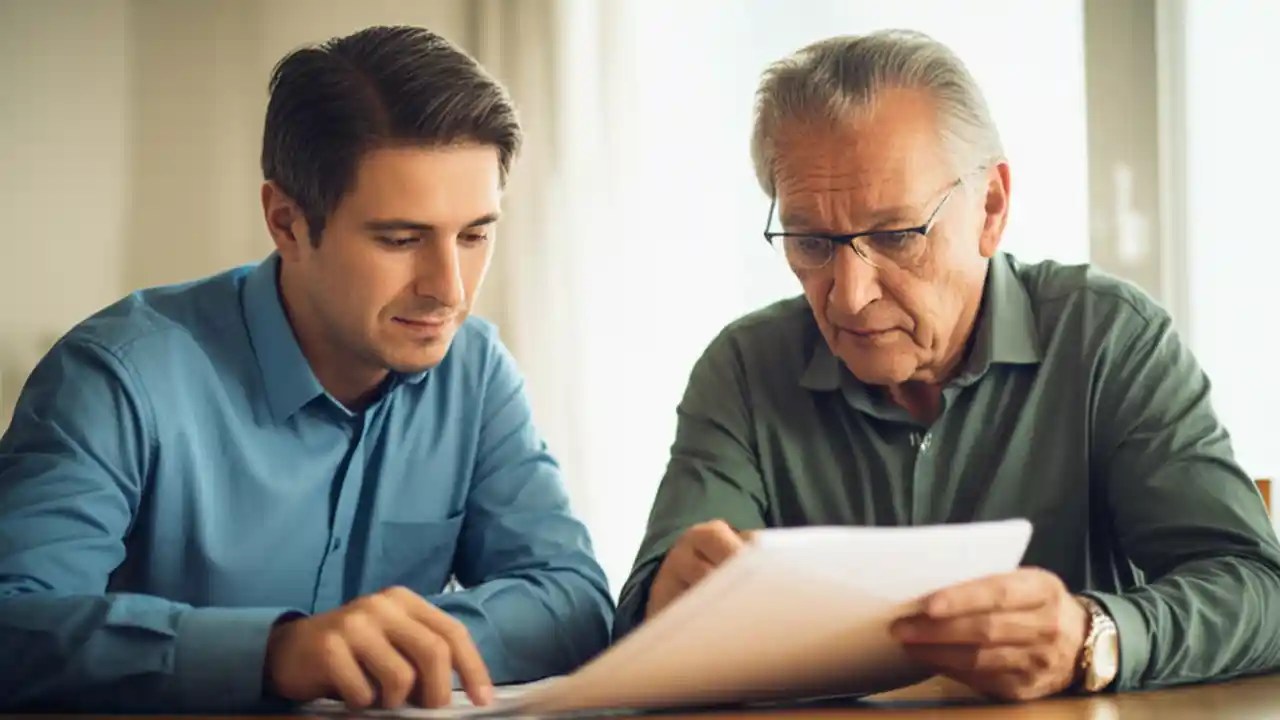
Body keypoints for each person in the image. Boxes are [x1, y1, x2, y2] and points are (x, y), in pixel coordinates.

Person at [616, 30, 1280, 701]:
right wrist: (665, 611)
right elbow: (651, 623)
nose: (849, 296)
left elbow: (1261, 591)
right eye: (812, 242)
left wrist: (1093, 636)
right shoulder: (744, 370)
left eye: (895, 236)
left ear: (991, 208)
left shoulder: (1107, 339)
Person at [0, 25, 612, 712]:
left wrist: (400, 645)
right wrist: (274, 653)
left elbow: (574, 601)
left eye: (474, 235)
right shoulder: (116, 378)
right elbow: (13, 623)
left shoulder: (475, 372)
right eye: (401, 239)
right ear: (287, 222)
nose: (450, 289)